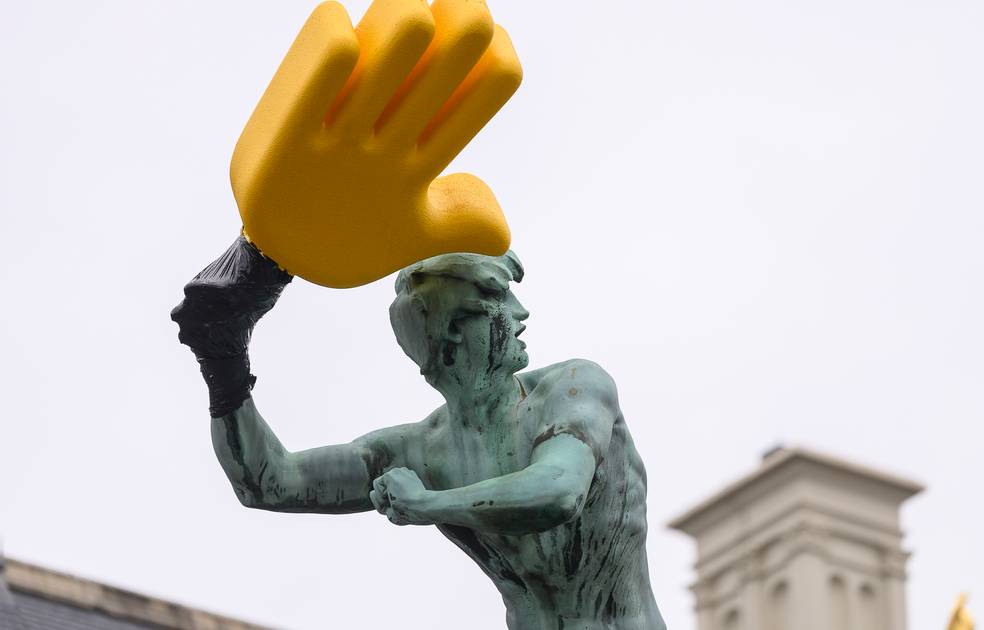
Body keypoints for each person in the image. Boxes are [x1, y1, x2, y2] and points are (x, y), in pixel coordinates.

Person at [171, 237, 666, 630]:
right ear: (452, 331)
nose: (520, 314)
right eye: (497, 297)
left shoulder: (575, 387)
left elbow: (558, 490)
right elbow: (269, 482)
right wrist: (223, 361)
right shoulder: (417, 451)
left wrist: (425, 505)